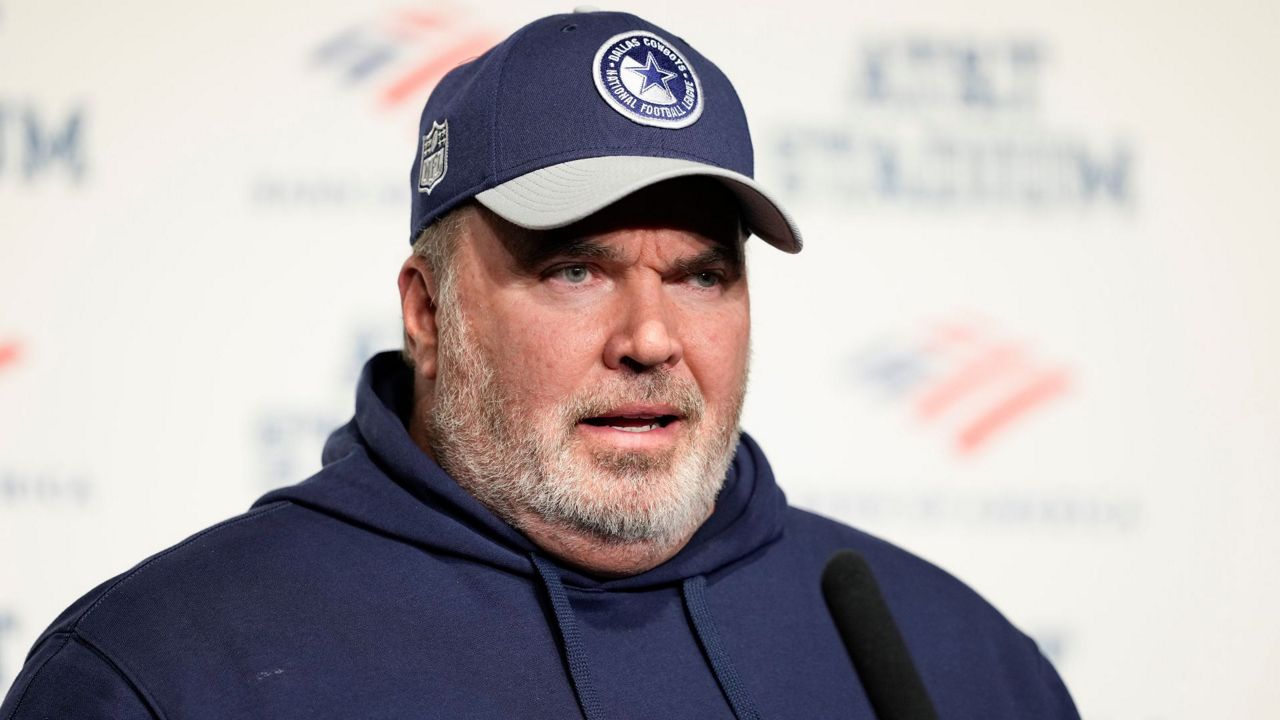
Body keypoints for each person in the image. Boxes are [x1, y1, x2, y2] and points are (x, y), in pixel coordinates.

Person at [1, 10, 1079, 719]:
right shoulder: (163, 675)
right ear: (427, 312)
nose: (650, 338)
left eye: (701, 274)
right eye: (573, 270)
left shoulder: (955, 660)